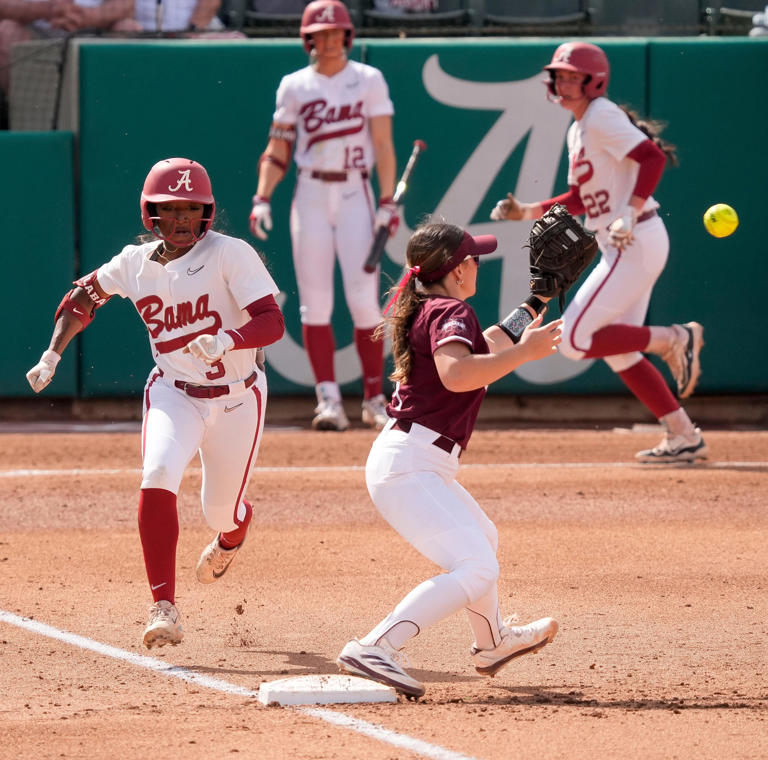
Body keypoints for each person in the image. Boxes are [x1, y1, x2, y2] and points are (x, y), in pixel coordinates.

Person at [25, 157, 285, 649]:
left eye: (193, 207)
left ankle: (233, 534)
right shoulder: (133, 263)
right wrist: (52, 353)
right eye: (172, 208)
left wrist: (229, 339)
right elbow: (82, 299)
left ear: (207, 212)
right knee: (157, 474)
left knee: (220, 513)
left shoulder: (231, 253)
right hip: (173, 392)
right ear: (152, 214)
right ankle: (163, 605)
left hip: (237, 398)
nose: (183, 218)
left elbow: (272, 322)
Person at [336, 221, 561, 699]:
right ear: (458, 271)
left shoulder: (435, 307)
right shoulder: (450, 310)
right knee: (478, 566)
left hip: (416, 460)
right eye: (473, 258)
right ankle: (375, 646)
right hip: (410, 464)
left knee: (483, 539)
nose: (477, 263)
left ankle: (492, 643)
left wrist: (536, 302)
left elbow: (490, 345)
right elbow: (459, 374)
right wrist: (526, 354)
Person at [490, 41, 707, 464]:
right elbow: (579, 196)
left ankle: (673, 338)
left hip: (633, 238)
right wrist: (530, 211)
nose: (566, 83)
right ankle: (684, 436)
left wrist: (630, 210)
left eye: (575, 77)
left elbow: (652, 157)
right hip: (625, 241)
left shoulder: (601, 115)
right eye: (561, 76)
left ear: (595, 82)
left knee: (571, 339)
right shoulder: (581, 125)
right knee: (620, 352)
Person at [249, 0, 398, 433]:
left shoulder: (368, 80)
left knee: (363, 300)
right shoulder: (294, 85)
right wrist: (262, 196)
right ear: (307, 39)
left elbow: (384, 144)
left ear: (348, 36)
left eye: (336, 33)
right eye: (321, 34)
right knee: (316, 302)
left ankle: (374, 398)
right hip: (310, 190)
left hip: (356, 190)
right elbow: (278, 147)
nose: (329, 41)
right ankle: (328, 399)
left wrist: (387, 200)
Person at [0, 0, 140, 98]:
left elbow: (126, 4)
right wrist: (45, 10)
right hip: (36, 31)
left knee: (128, 29)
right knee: (6, 31)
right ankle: (18, 120)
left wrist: (88, 16)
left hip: (95, 32)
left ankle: (115, 112)